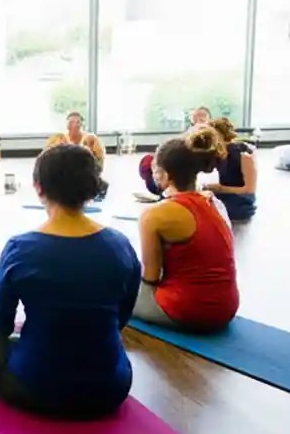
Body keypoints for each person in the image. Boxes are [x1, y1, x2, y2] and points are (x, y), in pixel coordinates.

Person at [0, 145, 139, 418]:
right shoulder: (121, 245)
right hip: (111, 389)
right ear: (91, 188)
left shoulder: (21, 248)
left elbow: (0, 326)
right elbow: (121, 319)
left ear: (38, 188)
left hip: (33, 388)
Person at [134, 131, 239, 333]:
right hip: (227, 307)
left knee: (110, 291)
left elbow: (151, 278)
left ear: (164, 175)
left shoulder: (154, 215)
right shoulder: (215, 203)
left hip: (187, 310)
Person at [203, 118, 257, 221]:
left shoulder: (244, 155)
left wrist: (220, 188)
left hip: (242, 200)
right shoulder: (216, 153)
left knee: (205, 210)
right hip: (224, 194)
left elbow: (249, 190)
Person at [46, 111, 108, 199]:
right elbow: (47, 157)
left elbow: (99, 161)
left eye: (78, 122)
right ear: (67, 125)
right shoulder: (59, 138)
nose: (75, 125)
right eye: (71, 122)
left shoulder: (91, 139)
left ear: (81, 124)